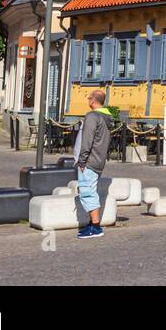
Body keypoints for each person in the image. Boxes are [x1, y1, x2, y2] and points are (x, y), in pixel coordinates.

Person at [73, 89, 114, 240]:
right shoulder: (106, 117)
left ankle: (96, 227)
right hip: (99, 159)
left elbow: (87, 141)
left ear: (93, 101)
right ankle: (92, 224)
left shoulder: (92, 116)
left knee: (87, 191)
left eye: (89, 98)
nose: (88, 100)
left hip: (90, 161)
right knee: (90, 189)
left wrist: (82, 160)